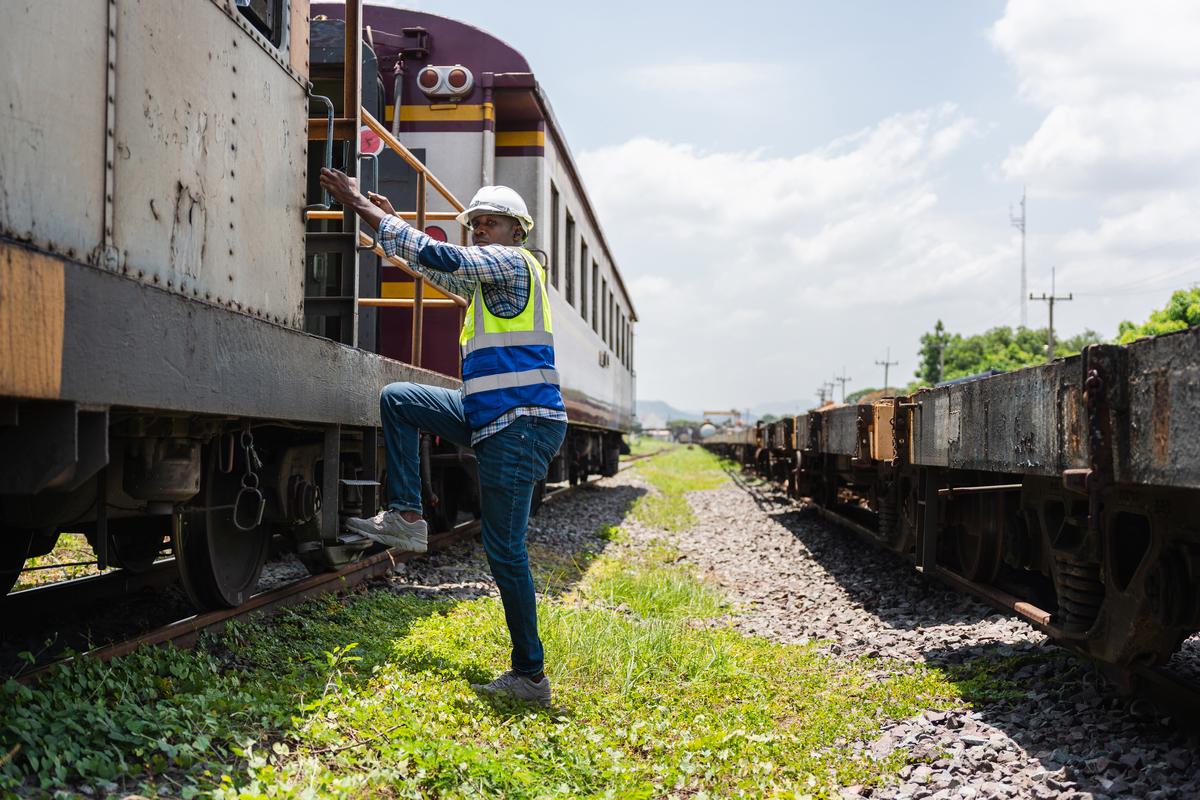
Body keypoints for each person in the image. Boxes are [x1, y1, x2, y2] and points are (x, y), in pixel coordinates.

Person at [318, 168, 568, 707]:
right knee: (400, 399)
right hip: (491, 414)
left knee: (506, 551)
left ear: (517, 230)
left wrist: (362, 204)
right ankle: (408, 516)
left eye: (490, 223)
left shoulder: (511, 262)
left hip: (520, 422)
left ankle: (531, 676)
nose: (479, 230)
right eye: (474, 223)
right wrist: (393, 223)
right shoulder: (490, 276)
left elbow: (447, 259)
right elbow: (430, 265)